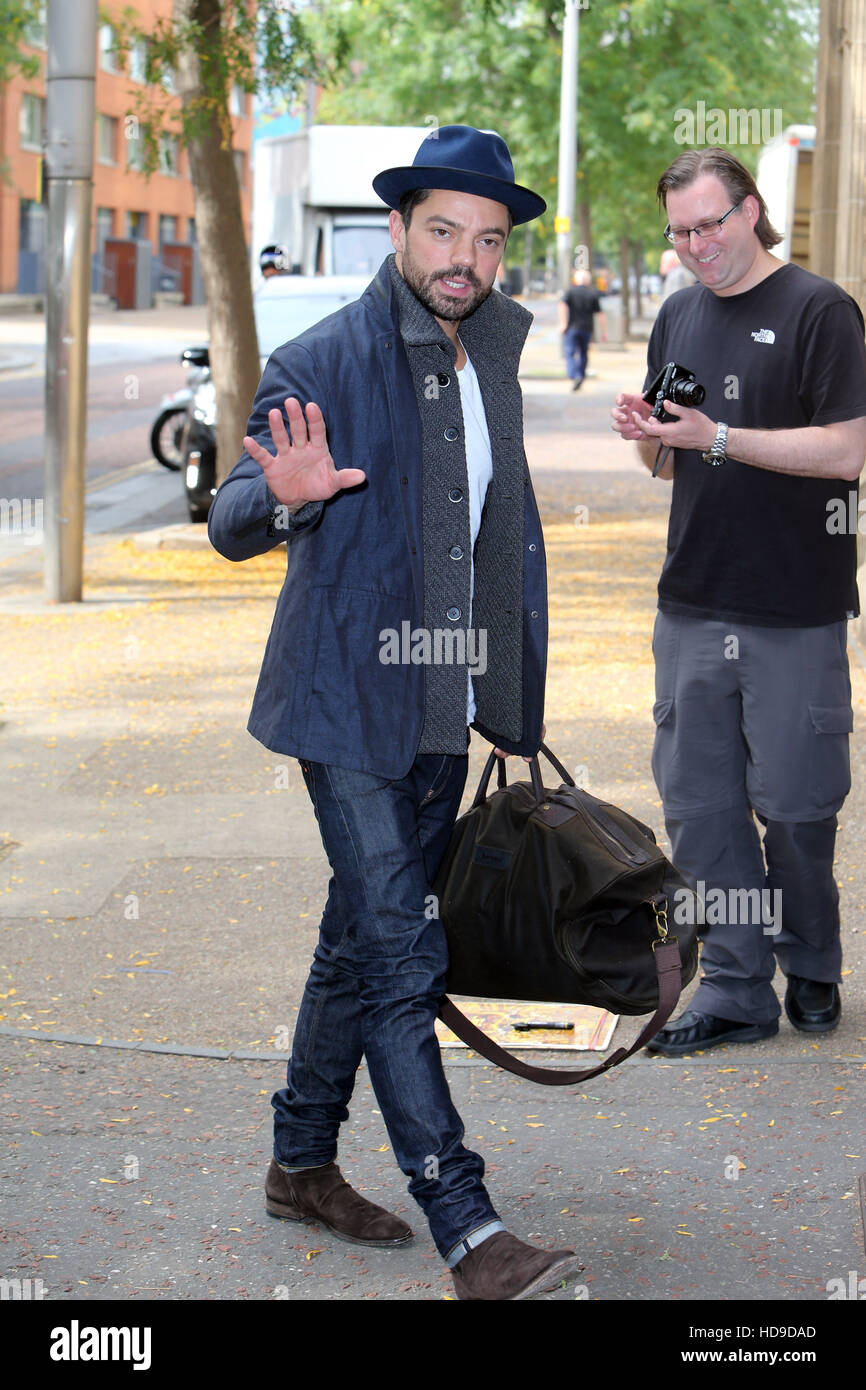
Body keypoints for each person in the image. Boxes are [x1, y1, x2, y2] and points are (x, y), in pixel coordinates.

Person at [208, 125, 582, 1300]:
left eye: (485, 238)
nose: (463, 257)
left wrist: (501, 694)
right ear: (398, 230)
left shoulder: (493, 361)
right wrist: (281, 499)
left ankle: (299, 1163)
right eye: (441, 231)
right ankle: (465, 1225)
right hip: (346, 706)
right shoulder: (323, 357)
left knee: (353, 947)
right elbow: (226, 516)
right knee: (401, 956)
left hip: (446, 703)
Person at [611, 148, 866, 1056]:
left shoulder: (821, 310)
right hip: (691, 599)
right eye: (681, 231)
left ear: (752, 211)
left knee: (797, 808)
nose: (697, 246)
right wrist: (652, 435)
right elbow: (666, 459)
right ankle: (734, 985)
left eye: (712, 223)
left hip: (794, 606)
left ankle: (815, 963)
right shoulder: (677, 314)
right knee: (702, 810)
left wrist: (716, 436)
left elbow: (844, 453)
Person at [558, 268, 606, 389]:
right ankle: (581, 375)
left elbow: (562, 304)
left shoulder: (570, 291)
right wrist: (603, 332)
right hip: (587, 329)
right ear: (588, 281)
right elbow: (600, 314)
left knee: (570, 353)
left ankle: (575, 375)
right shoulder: (593, 293)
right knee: (584, 353)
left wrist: (563, 323)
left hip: (572, 328)